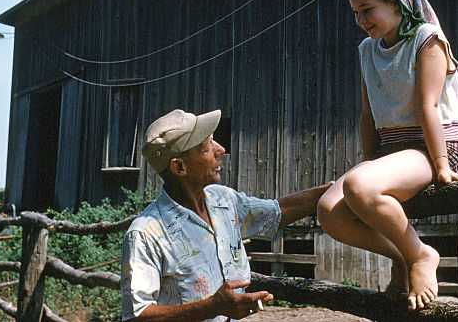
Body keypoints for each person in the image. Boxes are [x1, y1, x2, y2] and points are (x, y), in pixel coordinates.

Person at [317, 0, 458, 311]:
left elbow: (428, 106)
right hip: (392, 153)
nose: (362, 20)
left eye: (368, 9)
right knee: (329, 211)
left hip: (432, 147)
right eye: (356, 13)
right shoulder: (367, 50)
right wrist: (369, 164)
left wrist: (442, 166)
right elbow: (368, 114)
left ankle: (420, 257)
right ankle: (403, 253)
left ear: (397, 1)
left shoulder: (427, 40)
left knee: (360, 187)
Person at [121, 108, 331, 322]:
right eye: (206, 147)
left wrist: (338, 190)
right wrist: (211, 308)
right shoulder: (146, 234)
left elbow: (276, 212)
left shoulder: (223, 201)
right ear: (179, 166)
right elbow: (137, 317)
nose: (220, 149)